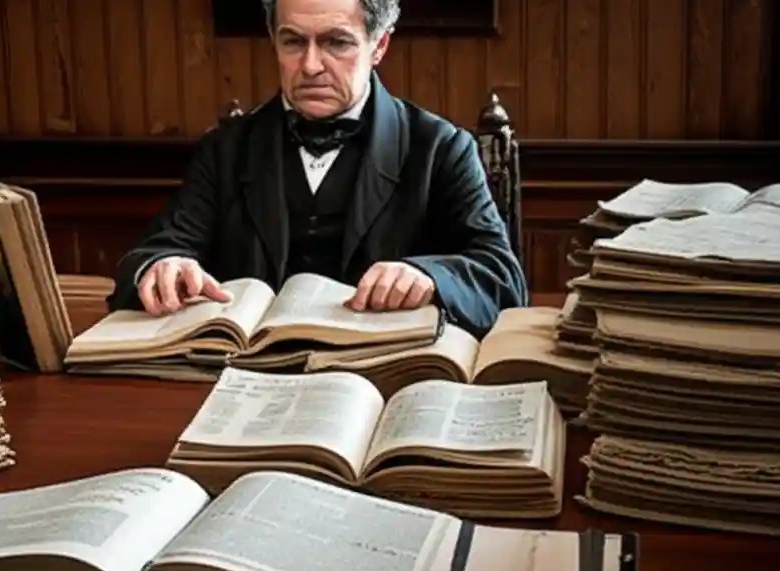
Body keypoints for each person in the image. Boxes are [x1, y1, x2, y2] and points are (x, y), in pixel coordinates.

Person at [107, 0, 528, 339]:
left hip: (381, 380)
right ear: (273, 41)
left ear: (379, 45)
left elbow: (503, 279)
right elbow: (148, 257)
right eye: (293, 42)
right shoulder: (227, 149)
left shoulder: (441, 148)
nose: (310, 66)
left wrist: (430, 274)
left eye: (336, 43)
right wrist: (162, 266)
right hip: (245, 379)